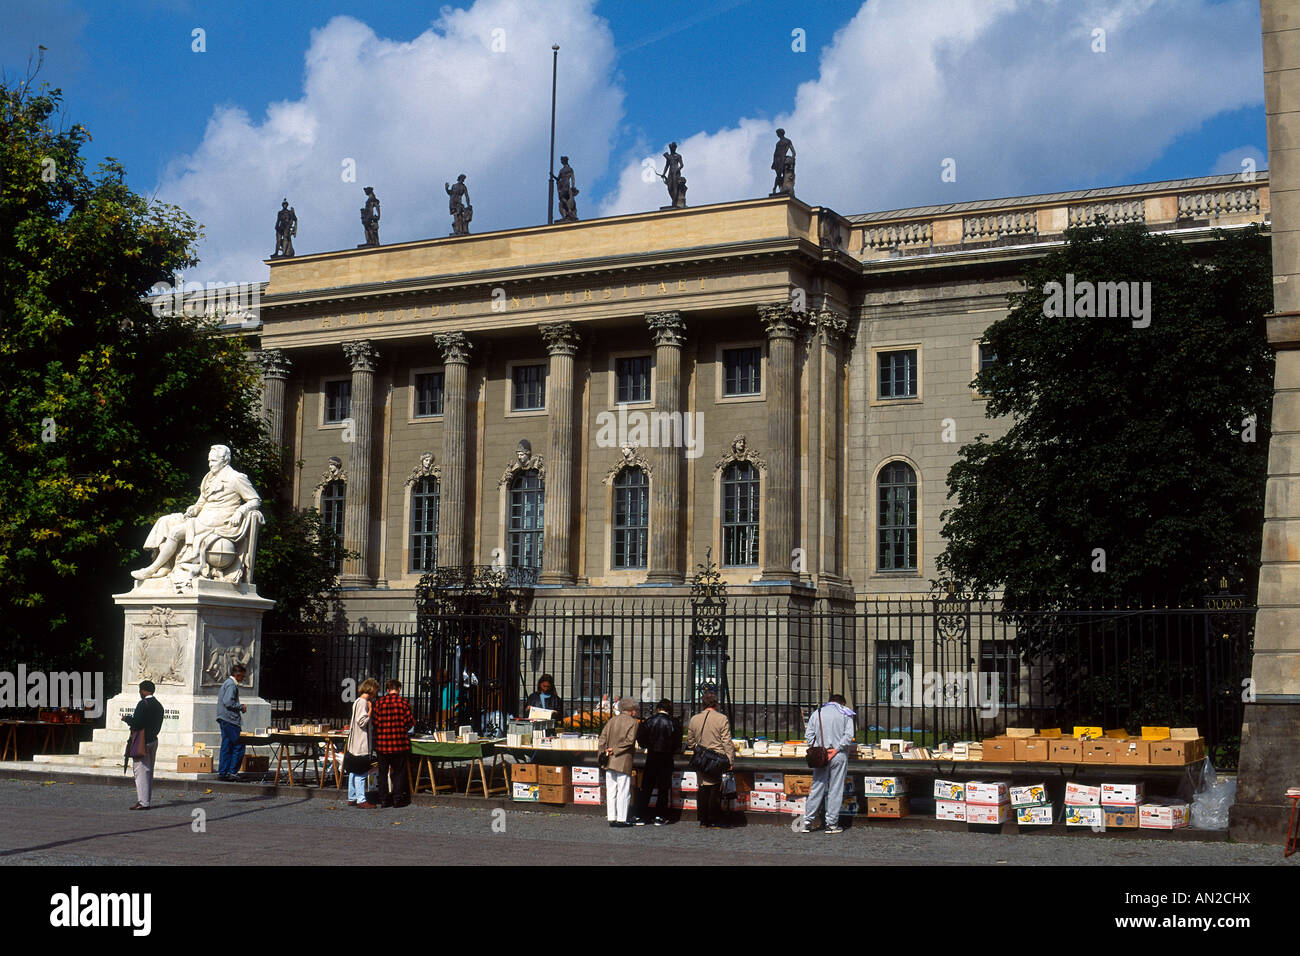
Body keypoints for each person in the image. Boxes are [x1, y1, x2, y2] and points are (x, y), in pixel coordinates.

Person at [131, 444, 261, 581]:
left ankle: (151, 569)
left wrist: (240, 511)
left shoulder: (236, 478)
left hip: (218, 522)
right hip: (202, 518)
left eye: (214, 461)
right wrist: (194, 508)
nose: (210, 464)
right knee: (165, 521)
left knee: (176, 532)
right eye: (209, 461)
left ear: (225, 461)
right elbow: (202, 501)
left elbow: (255, 500)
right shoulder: (209, 477)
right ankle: (166, 566)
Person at [800, 693, 856, 834]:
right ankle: (831, 824)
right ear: (842, 703)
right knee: (835, 789)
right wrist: (836, 749)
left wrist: (819, 749)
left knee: (817, 786)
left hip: (821, 755)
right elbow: (849, 736)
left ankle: (807, 821)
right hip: (839, 754)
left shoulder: (817, 713)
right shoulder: (845, 713)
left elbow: (809, 735)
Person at [686, 692, 735, 829]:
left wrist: (698, 748)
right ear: (716, 703)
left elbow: (690, 741)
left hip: (701, 757)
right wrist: (730, 760)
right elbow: (726, 741)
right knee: (715, 788)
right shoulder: (722, 719)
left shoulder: (695, 719)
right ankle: (713, 818)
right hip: (717, 758)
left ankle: (703, 820)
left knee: (702, 787)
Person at [370, 679, 415, 808]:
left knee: (383, 773)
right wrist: (402, 728)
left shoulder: (379, 703)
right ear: (399, 688)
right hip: (399, 743)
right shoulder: (403, 703)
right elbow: (410, 722)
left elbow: (376, 723)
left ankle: (384, 799)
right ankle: (397, 798)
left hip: (383, 743)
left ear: (387, 690)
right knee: (399, 772)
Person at [636, 698, 681, 825]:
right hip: (667, 757)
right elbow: (677, 743)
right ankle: (660, 815)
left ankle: (642, 815)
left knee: (647, 787)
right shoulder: (673, 723)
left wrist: (648, 745)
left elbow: (641, 738)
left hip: (652, 756)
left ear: (657, 708)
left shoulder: (649, 721)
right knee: (663, 787)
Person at [122, 680, 164, 810]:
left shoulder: (143, 704)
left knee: (140, 771)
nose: (140, 693)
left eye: (140, 690)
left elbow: (137, 723)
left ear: (144, 690)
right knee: (149, 771)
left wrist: (127, 719)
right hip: (153, 739)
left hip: (142, 741)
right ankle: (146, 799)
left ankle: (143, 802)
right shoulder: (159, 705)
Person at [597, 698, 640, 828]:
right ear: (632, 710)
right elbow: (629, 741)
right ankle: (622, 818)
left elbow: (602, 738)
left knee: (611, 790)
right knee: (623, 790)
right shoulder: (633, 723)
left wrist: (604, 751)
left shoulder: (612, 720)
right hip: (623, 759)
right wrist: (615, 750)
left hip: (609, 760)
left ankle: (611, 817)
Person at [345, 678, 380, 808]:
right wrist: (370, 710)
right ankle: (361, 799)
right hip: (361, 742)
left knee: (353, 770)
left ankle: (352, 796)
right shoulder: (363, 703)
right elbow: (362, 722)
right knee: (361, 771)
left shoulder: (357, 701)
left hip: (354, 742)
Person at [216, 663, 247, 781]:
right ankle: (232, 771)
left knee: (227, 745)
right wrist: (241, 707)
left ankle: (223, 772)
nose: (243, 679)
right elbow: (228, 702)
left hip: (224, 718)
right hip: (230, 719)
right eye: (242, 676)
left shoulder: (227, 683)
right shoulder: (231, 685)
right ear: (237, 675)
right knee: (239, 745)